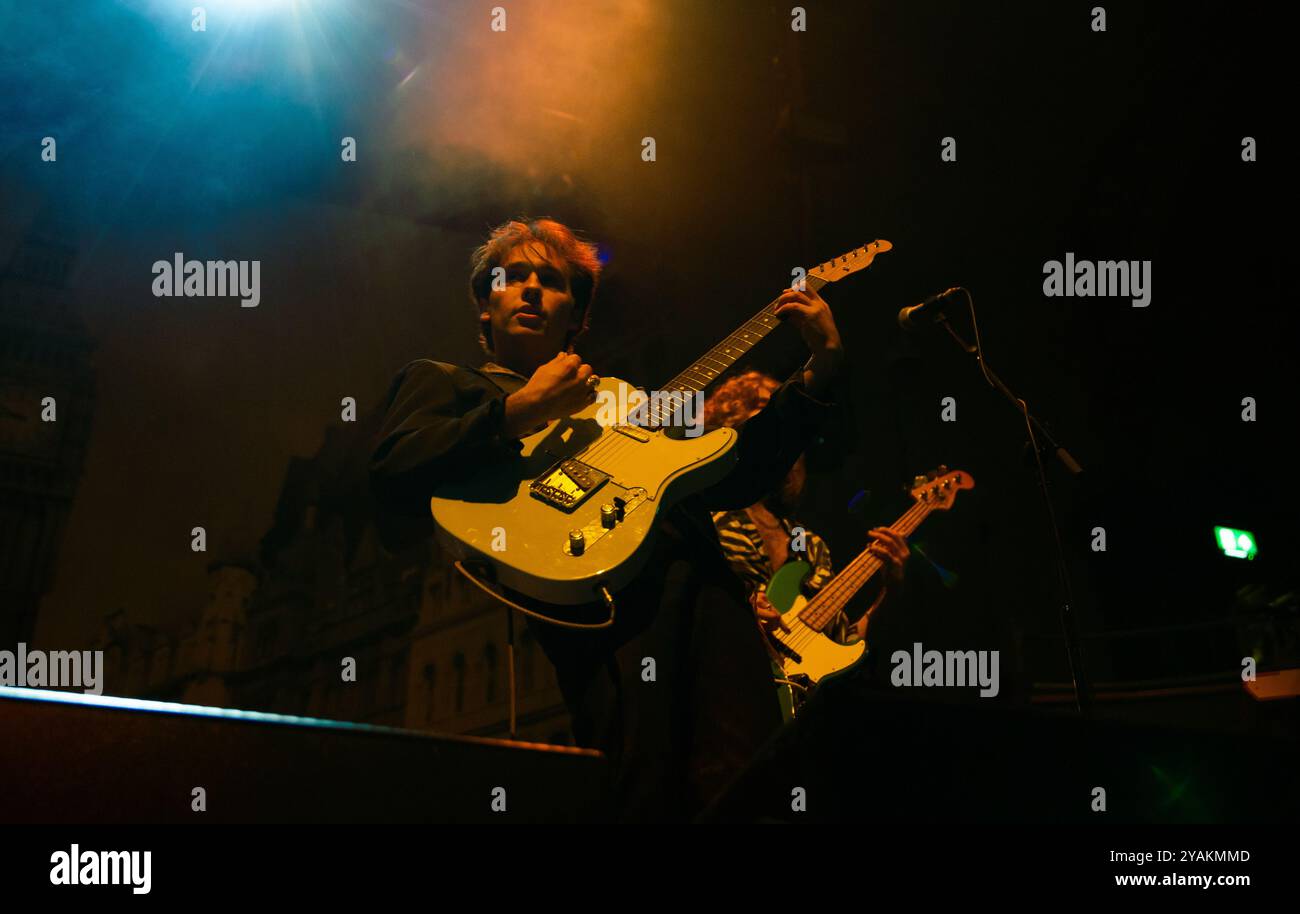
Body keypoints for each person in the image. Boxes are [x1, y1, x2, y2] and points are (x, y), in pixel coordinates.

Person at [369, 218, 845, 820]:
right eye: (514, 277)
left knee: (748, 777)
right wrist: (520, 411)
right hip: (604, 610)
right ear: (486, 306)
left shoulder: (625, 398)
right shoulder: (446, 382)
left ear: (575, 317)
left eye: (552, 281)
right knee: (643, 785)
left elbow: (736, 475)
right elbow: (394, 475)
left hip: (710, 595)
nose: (532, 288)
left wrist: (819, 371)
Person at [704, 370, 908, 715]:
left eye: (793, 439)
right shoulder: (708, 523)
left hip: (802, 710)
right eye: (770, 425)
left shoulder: (812, 547)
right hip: (727, 693)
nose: (791, 453)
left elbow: (843, 644)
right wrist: (740, 615)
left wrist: (891, 590)